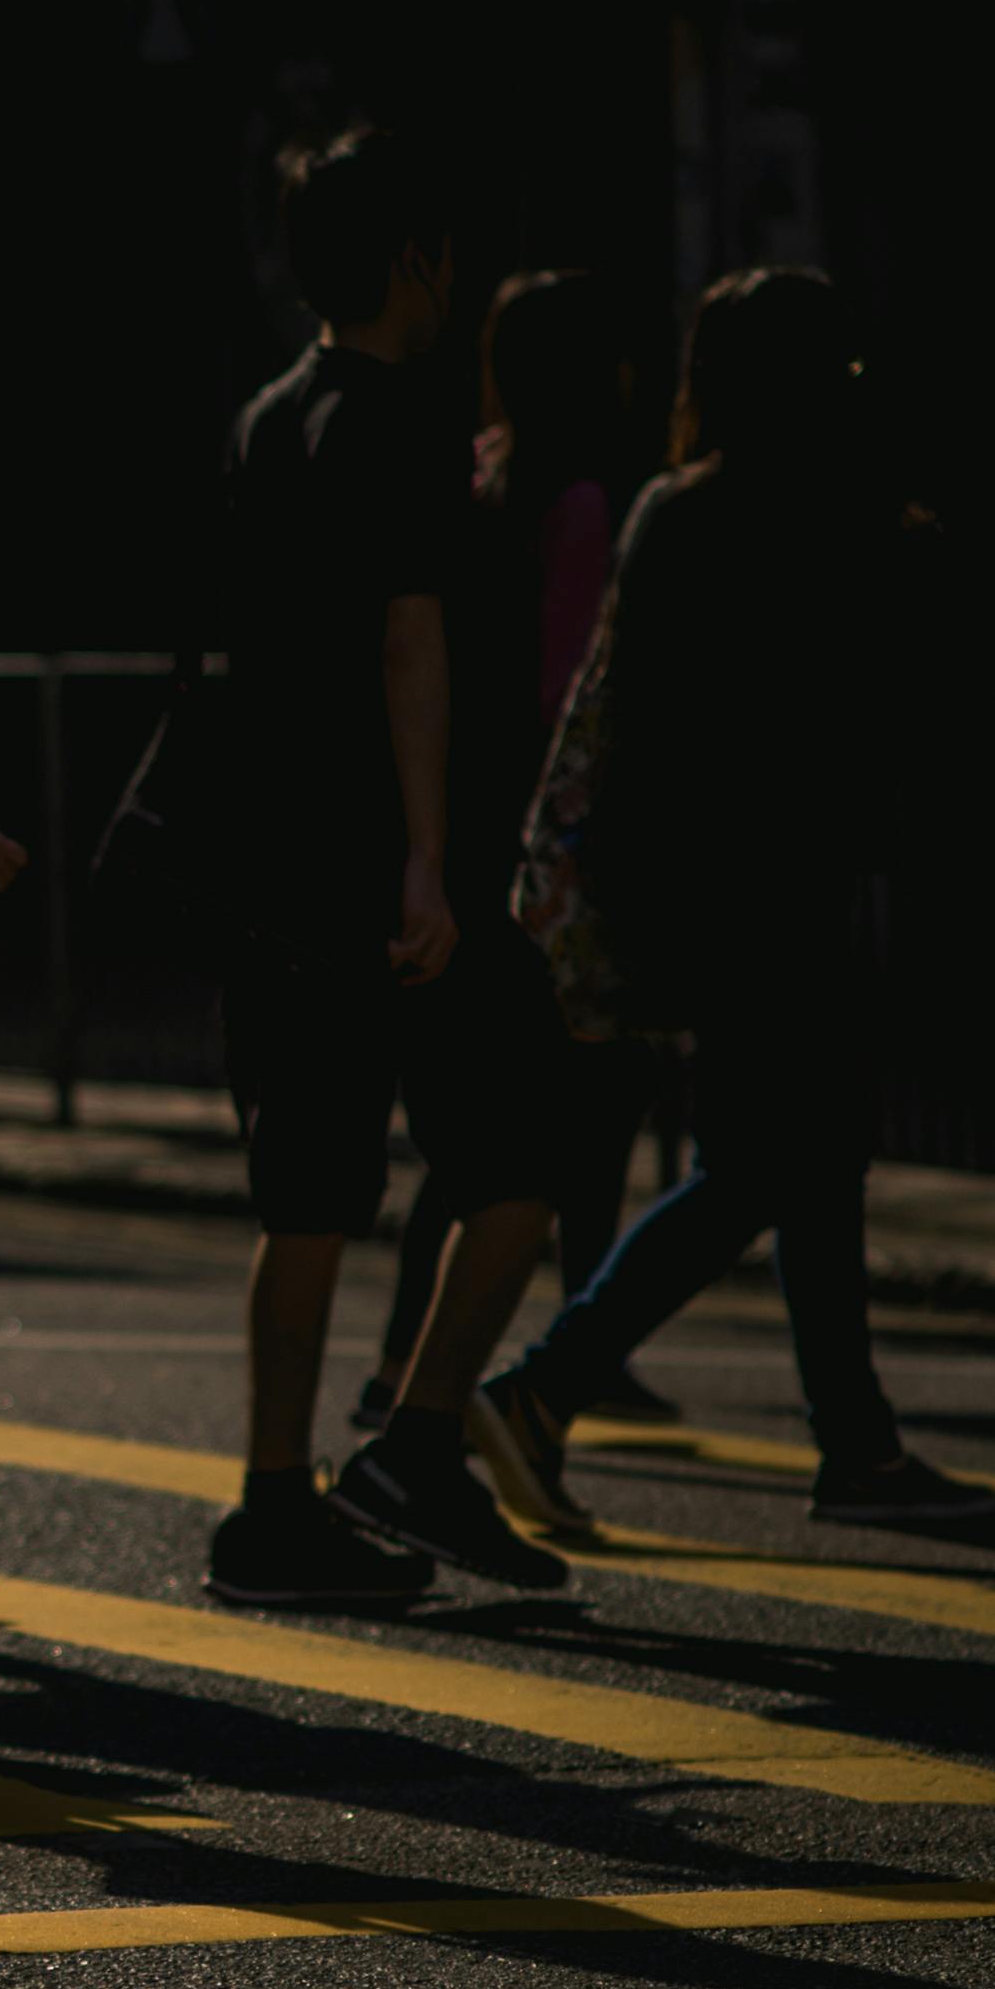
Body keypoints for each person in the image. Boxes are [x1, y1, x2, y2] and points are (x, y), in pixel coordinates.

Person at [470, 266, 995, 1531]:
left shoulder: (675, 513)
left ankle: (856, 1446)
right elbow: (944, 720)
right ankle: (544, 1385)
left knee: (810, 1161)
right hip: (781, 899)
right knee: (760, 1167)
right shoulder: (842, 525)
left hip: (696, 896)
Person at [202, 128, 574, 1608]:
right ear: (415, 260)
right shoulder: (406, 420)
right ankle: (413, 1442)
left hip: (278, 852)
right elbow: (407, 640)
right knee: (522, 1166)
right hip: (387, 859)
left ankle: (276, 1499)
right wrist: (426, 856)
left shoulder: (267, 415)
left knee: (307, 1192)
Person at [354, 269, 671, 1431]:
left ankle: (414, 1363)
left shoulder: (485, 472)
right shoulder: (584, 498)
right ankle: (549, 1352)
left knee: (491, 1126)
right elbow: (568, 683)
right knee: (565, 1117)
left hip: (475, 824)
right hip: (558, 848)